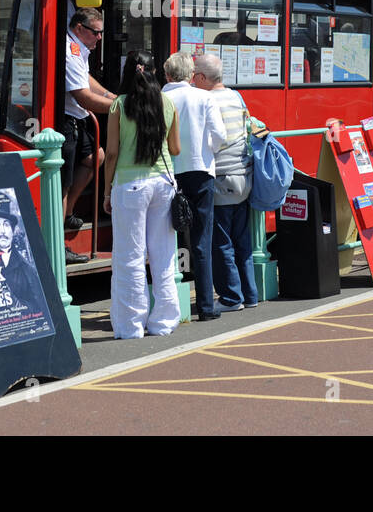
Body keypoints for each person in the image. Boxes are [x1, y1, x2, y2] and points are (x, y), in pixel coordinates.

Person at [102, 50, 181, 339]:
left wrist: (107, 192)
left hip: (130, 185)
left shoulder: (119, 105)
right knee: (163, 254)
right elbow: (175, 150)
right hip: (163, 183)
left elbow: (111, 153)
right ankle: (163, 322)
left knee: (129, 256)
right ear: (154, 73)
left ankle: (130, 326)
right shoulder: (168, 102)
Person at [161, 52, 227, 322]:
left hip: (168, 173)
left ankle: (169, 308)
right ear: (190, 75)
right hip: (200, 172)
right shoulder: (205, 98)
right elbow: (220, 135)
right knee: (201, 241)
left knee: (164, 240)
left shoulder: (161, 98)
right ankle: (206, 307)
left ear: (166, 75)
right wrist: (205, 153)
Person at [195, 53, 258, 312]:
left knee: (221, 242)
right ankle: (250, 294)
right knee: (242, 241)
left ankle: (232, 298)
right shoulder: (236, 96)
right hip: (244, 176)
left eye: (193, 75)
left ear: (201, 77)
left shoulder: (206, 100)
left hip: (221, 177)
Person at [62, 7, 115, 263]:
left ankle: (69, 211)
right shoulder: (69, 52)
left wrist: (110, 96)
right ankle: (59, 241)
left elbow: (87, 80)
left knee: (96, 157)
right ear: (80, 29)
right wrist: (121, 107)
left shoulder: (79, 48)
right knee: (62, 182)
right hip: (65, 121)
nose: (100, 38)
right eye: (96, 32)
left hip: (78, 118)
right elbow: (82, 96)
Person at [0, 207, 44, 314]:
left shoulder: (27, 269)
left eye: (6, 225)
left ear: (12, 230)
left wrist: (17, 305)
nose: (3, 231)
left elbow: (40, 309)